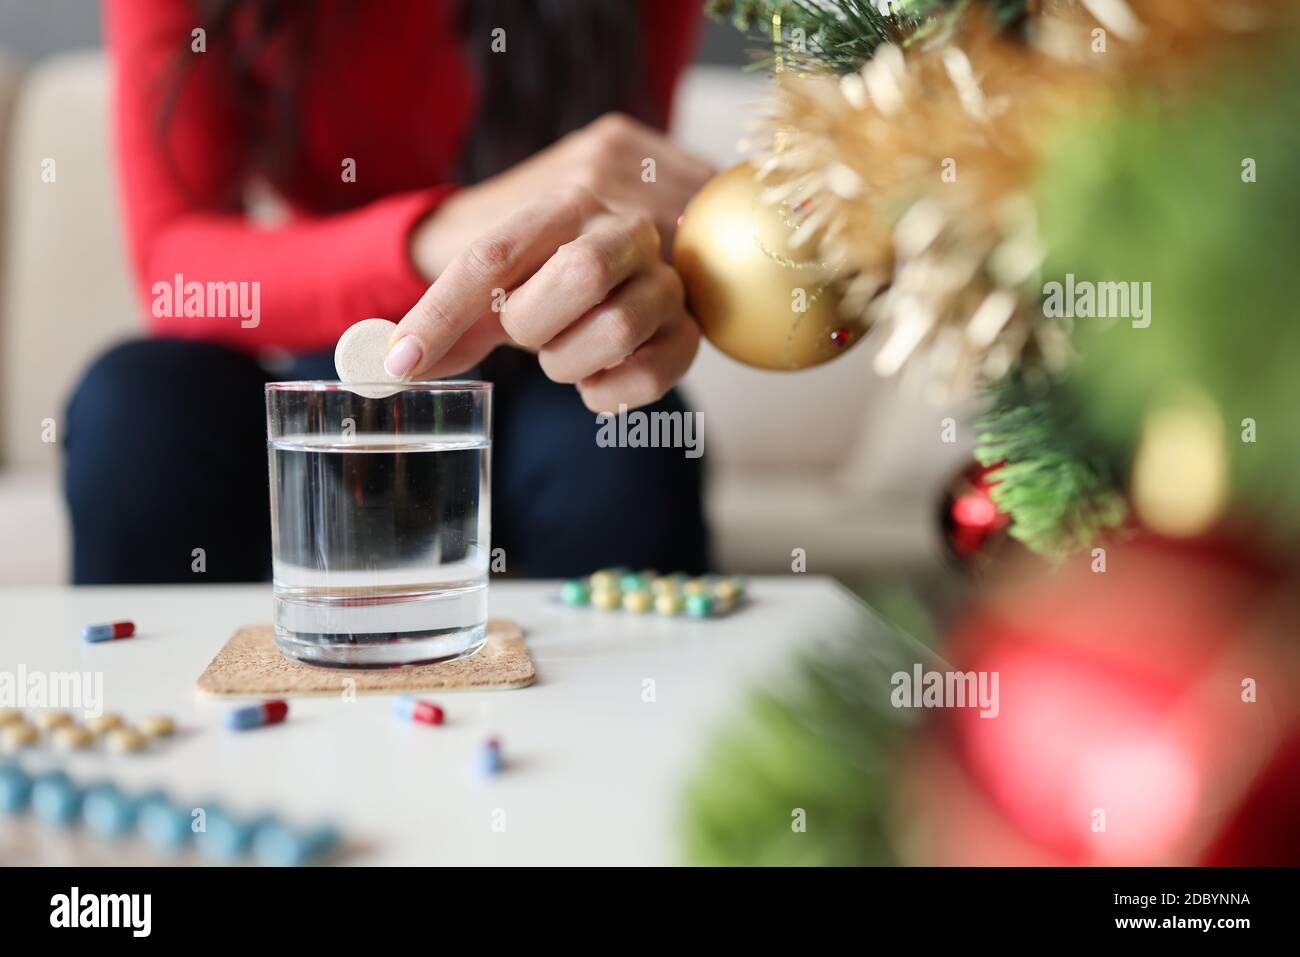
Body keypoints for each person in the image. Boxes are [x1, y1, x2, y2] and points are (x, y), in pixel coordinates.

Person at [67, 0, 714, 583]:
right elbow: (177, 271)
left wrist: (649, 276)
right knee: (135, 413)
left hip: (533, 367)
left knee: (627, 442)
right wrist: (440, 237)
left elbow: (622, 218)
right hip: (323, 354)